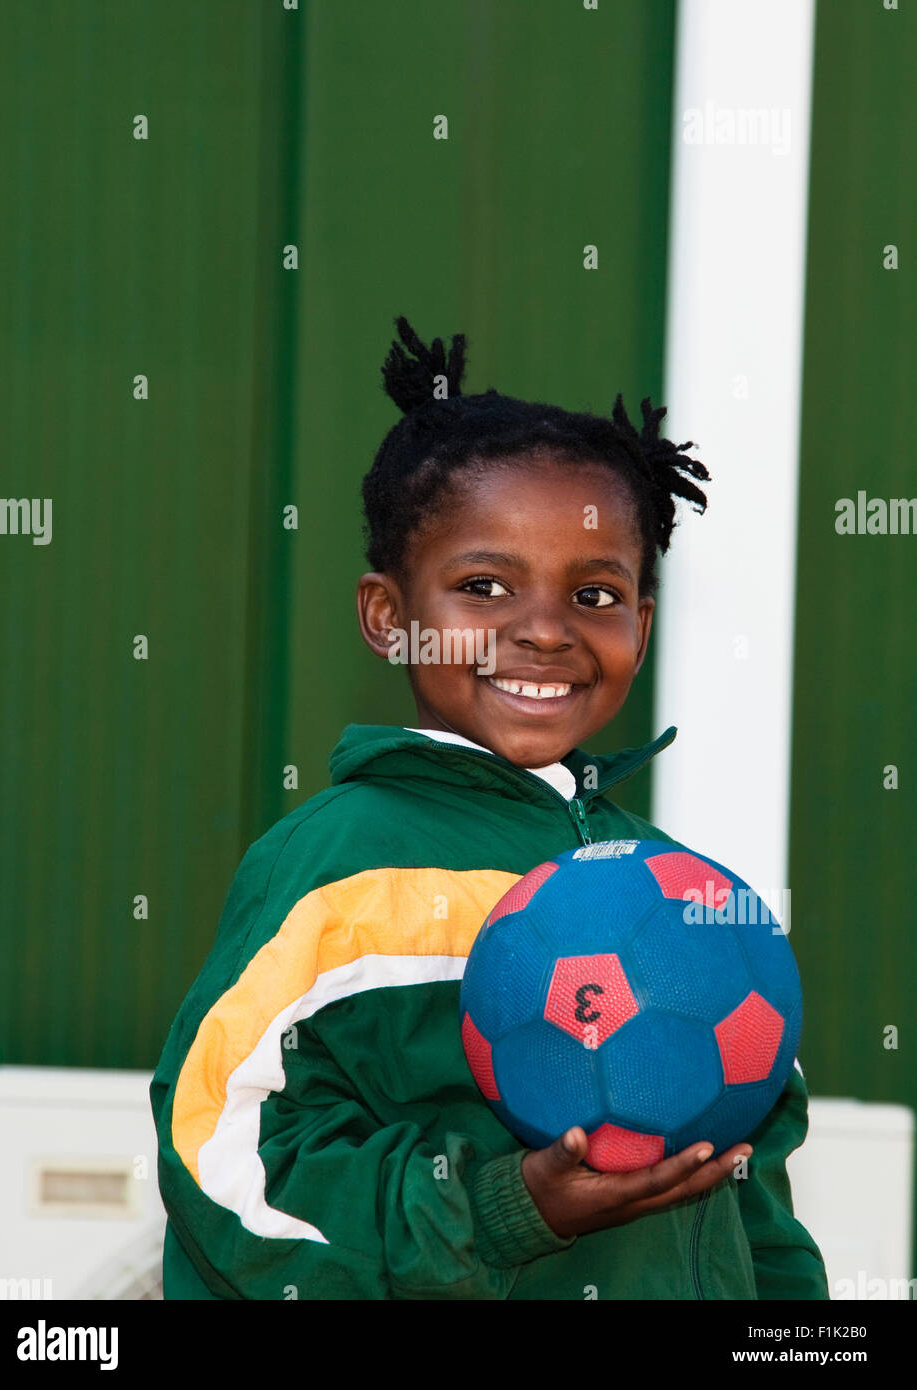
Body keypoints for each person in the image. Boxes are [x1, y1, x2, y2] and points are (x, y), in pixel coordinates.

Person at [150, 317, 829, 1300]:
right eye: (483, 585)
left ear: (639, 627)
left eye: (594, 595)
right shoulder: (341, 866)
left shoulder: (685, 894)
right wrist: (504, 1208)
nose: (543, 630)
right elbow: (223, 1162)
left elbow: (751, 1200)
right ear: (390, 618)